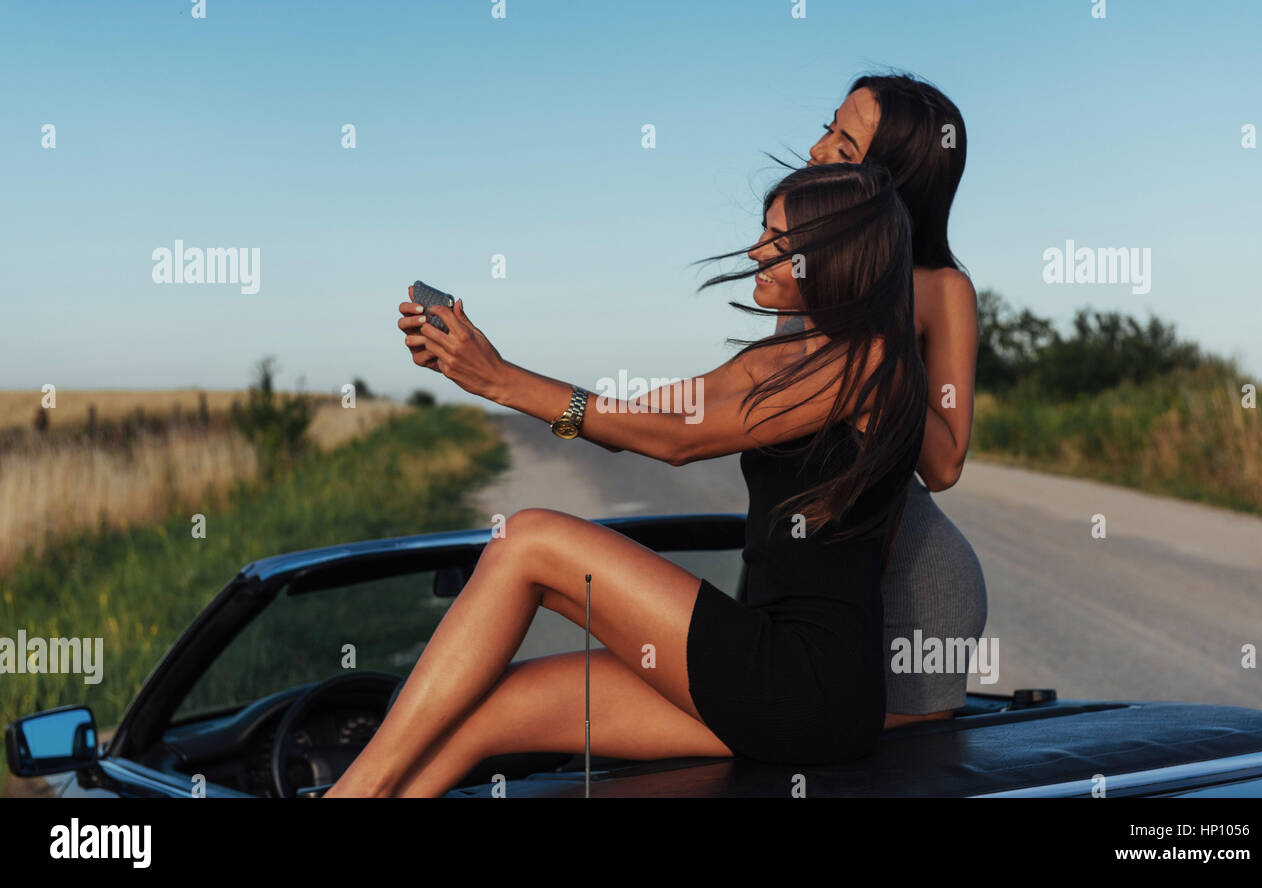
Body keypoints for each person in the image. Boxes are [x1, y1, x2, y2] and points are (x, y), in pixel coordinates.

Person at [325, 160, 926, 797]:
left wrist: (499, 381)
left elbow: (679, 442)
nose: (755, 252)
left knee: (527, 540)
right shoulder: (782, 358)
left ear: (833, 253)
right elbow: (642, 420)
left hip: (808, 686)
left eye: (777, 242)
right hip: (762, 671)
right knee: (485, 712)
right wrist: (474, 364)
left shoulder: (870, 364)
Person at [804, 73, 988, 726]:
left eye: (844, 145)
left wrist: (876, 337)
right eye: (827, 127)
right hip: (816, 583)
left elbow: (943, 466)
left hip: (915, 587)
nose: (817, 149)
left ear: (889, 181)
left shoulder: (942, 290)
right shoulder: (804, 276)